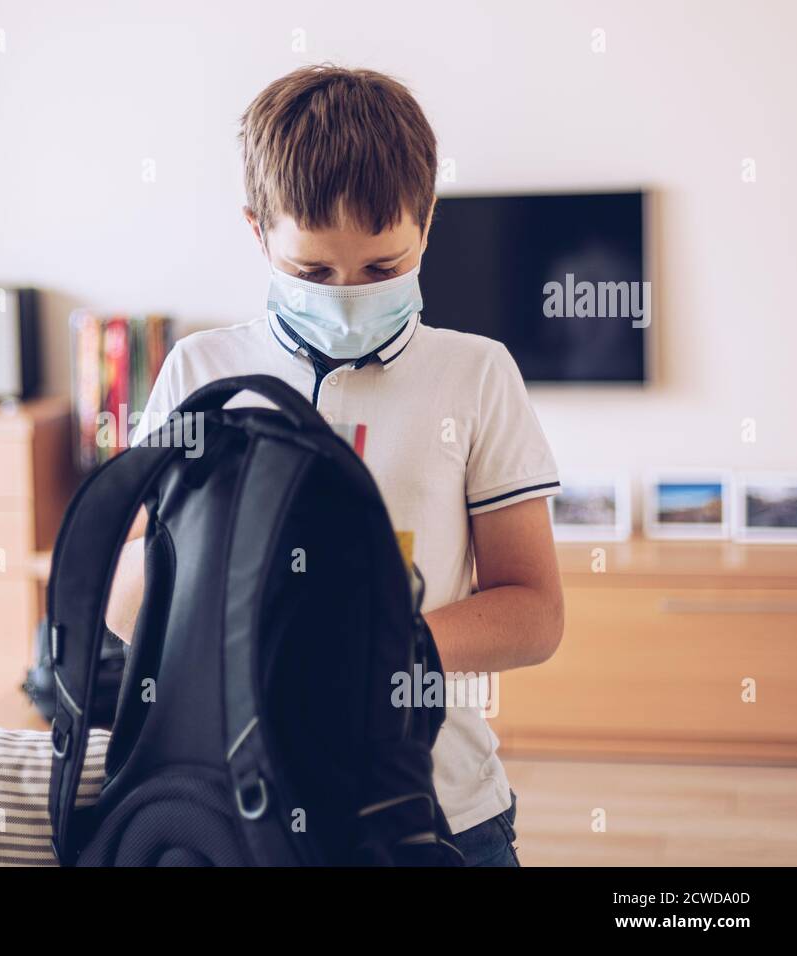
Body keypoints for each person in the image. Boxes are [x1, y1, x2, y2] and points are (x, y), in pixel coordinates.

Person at [106, 65, 565, 867]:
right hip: (244, 807)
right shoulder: (198, 370)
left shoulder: (478, 374)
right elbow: (125, 603)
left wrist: (380, 645)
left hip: (442, 810)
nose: (348, 293)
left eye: (382, 269)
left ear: (426, 225)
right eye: (313, 273)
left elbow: (534, 613)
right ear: (258, 233)